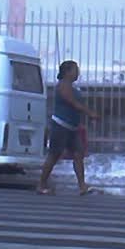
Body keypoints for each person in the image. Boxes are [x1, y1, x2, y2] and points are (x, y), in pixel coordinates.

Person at [38, 59, 96, 194]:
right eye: (75, 70)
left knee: (78, 154)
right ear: (67, 72)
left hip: (71, 127)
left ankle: (82, 186)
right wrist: (90, 113)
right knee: (54, 155)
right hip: (61, 125)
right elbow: (74, 103)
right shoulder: (63, 85)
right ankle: (41, 185)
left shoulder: (71, 86)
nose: (78, 72)